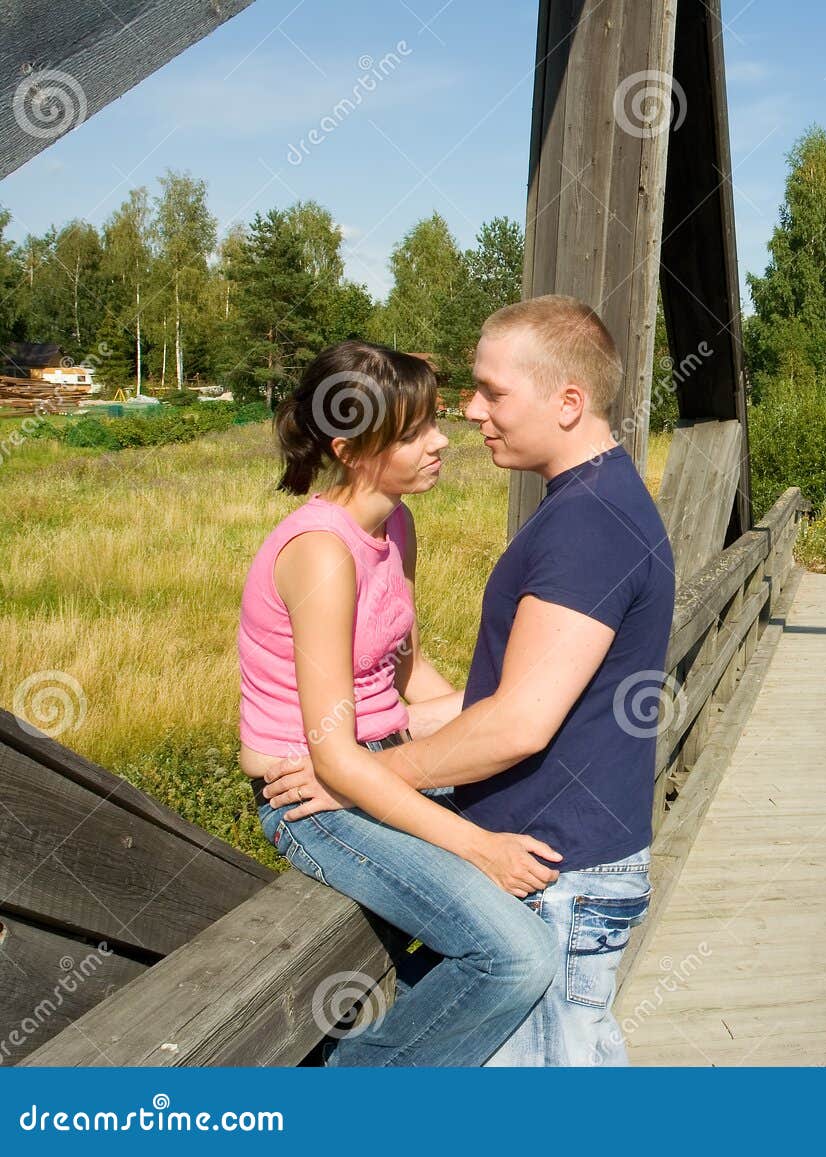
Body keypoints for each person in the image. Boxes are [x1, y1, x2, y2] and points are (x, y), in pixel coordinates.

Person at [265, 297, 676, 1065]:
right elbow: (493, 701)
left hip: (556, 868)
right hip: (557, 859)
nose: (470, 410)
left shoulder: (589, 525)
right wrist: (367, 751)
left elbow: (518, 722)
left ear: (568, 402)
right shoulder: (593, 501)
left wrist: (359, 777)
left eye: (492, 391)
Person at [239, 339, 562, 1067]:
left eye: (435, 422)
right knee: (517, 956)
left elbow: (410, 677)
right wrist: (480, 846)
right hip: (315, 802)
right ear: (353, 448)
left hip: (386, 764)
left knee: (548, 842)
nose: (443, 439)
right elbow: (333, 755)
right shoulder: (321, 553)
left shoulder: (394, 526)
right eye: (415, 431)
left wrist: (506, 716)